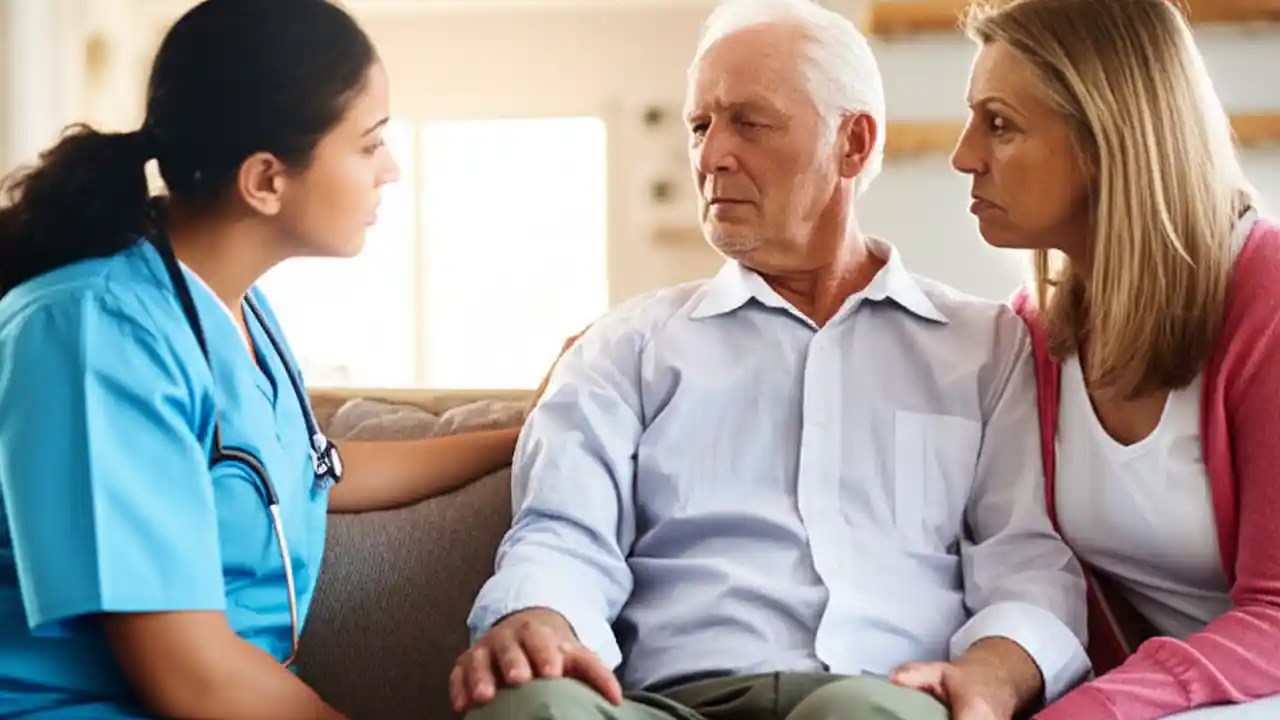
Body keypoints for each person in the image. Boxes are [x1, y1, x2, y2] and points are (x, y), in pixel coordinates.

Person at [450, 1, 1091, 719]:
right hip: (664, 703)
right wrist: (541, 615)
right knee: (524, 711)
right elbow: (562, 533)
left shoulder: (988, 349)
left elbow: (1028, 563)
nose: (710, 155)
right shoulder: (623, 347)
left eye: (749, 123)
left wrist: (995, 672)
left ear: (853, 143)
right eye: (700, 126)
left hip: (879, 697)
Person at [0, 1, 535, 717]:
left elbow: (309, 469)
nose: (392, 170)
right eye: (369, 143)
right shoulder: (90, 330)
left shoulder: (236, 308)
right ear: (264, 180)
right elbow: (189, 673)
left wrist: (524, 433)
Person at [949, 0, 1280, 718]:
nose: (964, 155)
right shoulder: (1032, 335)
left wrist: (1095, 710)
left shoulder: (1269, 299)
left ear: (1106, 138)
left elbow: (1278, 618)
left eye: (998, 124)